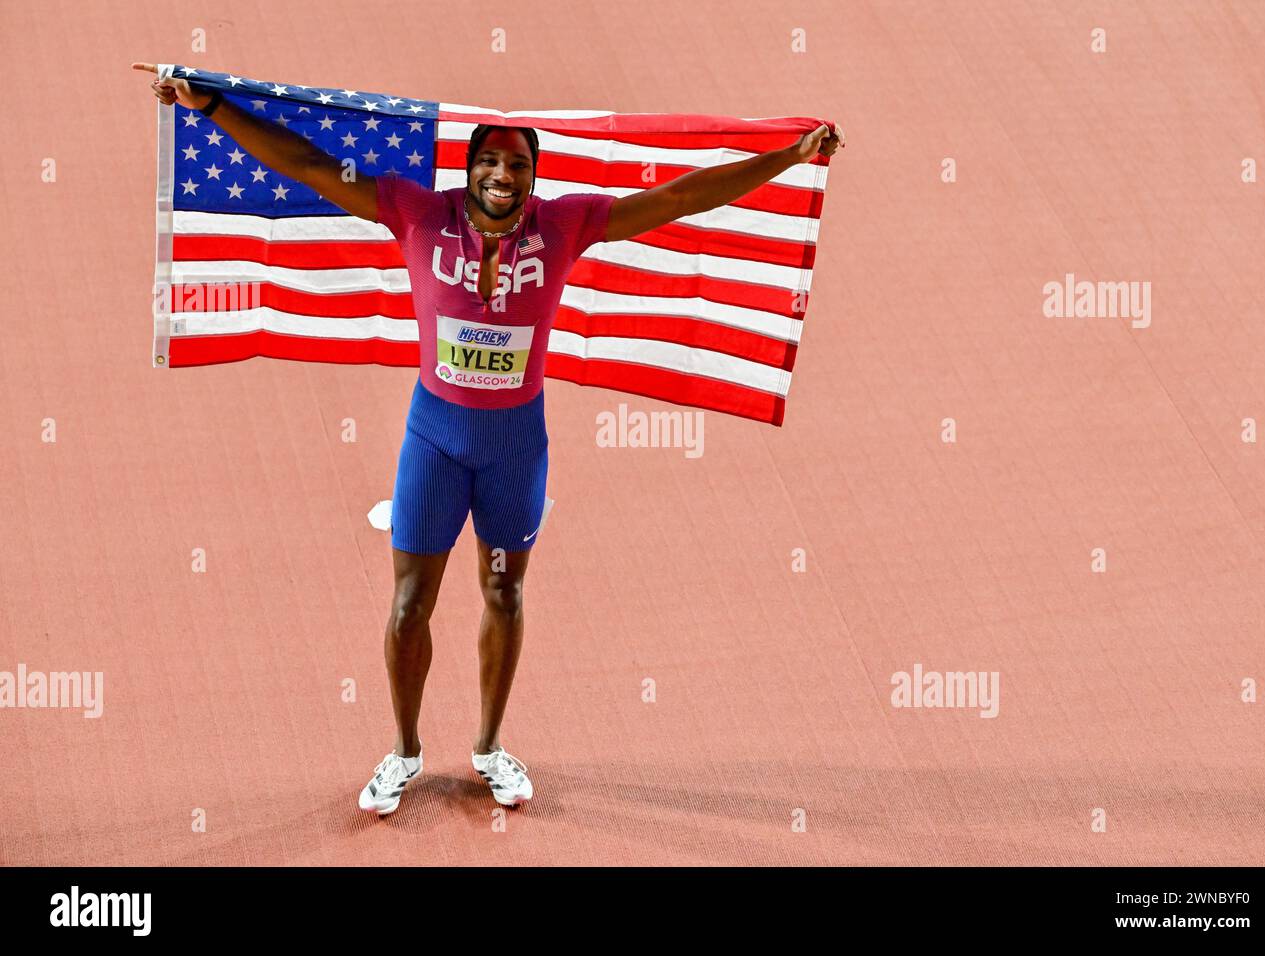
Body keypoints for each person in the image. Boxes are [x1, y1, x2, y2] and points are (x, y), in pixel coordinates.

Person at [134, 62, 844, 816]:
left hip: (514, 449)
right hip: (435, 443)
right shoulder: (415, 214)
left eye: (518, 164)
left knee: (504, 591)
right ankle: (404, 751)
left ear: (534, 177)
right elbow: (306, 163)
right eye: (491, 160)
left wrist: (787, 158)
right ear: (469, 168)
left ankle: (489, 747)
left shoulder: (565, 226)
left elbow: (677, 199)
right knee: (410, 605)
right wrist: (208, 104)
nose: (504, 174)